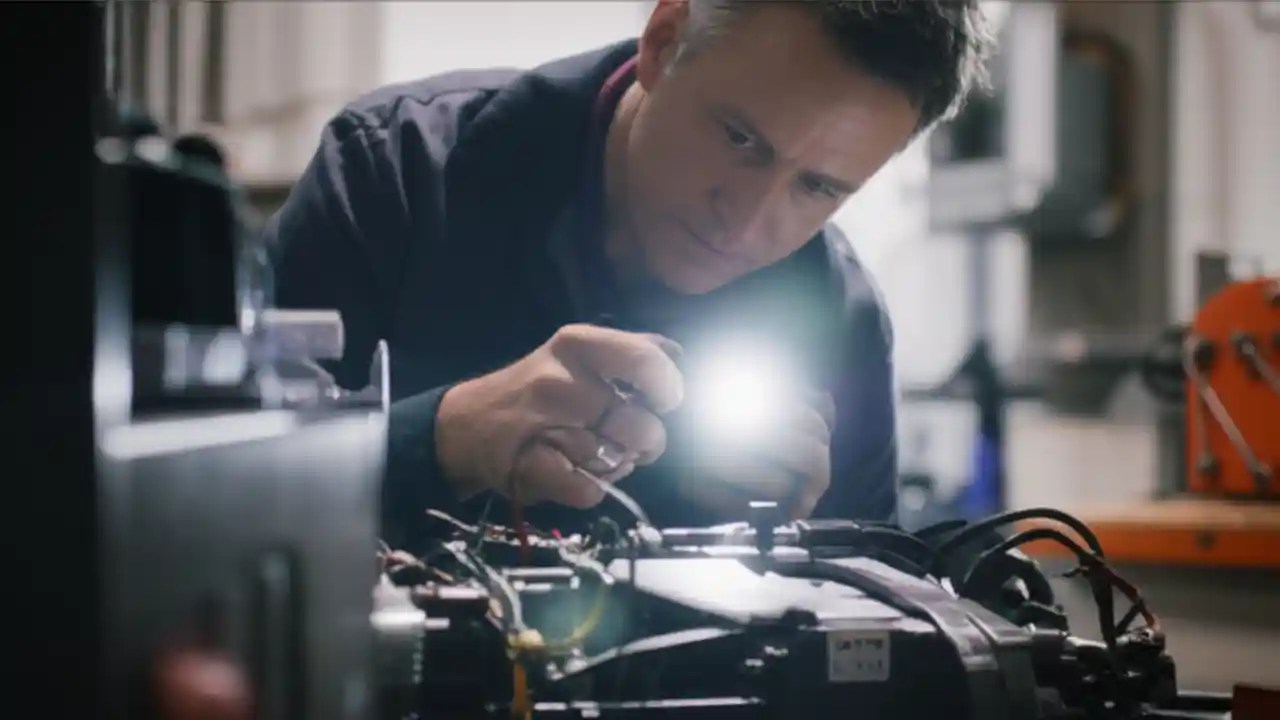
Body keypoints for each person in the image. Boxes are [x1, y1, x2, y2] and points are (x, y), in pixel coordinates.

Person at [264, 0, 992, 549]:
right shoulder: (391, 173)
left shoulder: (843, 316)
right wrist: (445, 439)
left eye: (820, 189)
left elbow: (876, 655)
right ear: (664, 43)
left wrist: (795, 547)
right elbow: (187, 518)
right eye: (740, 138)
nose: (744, 221)